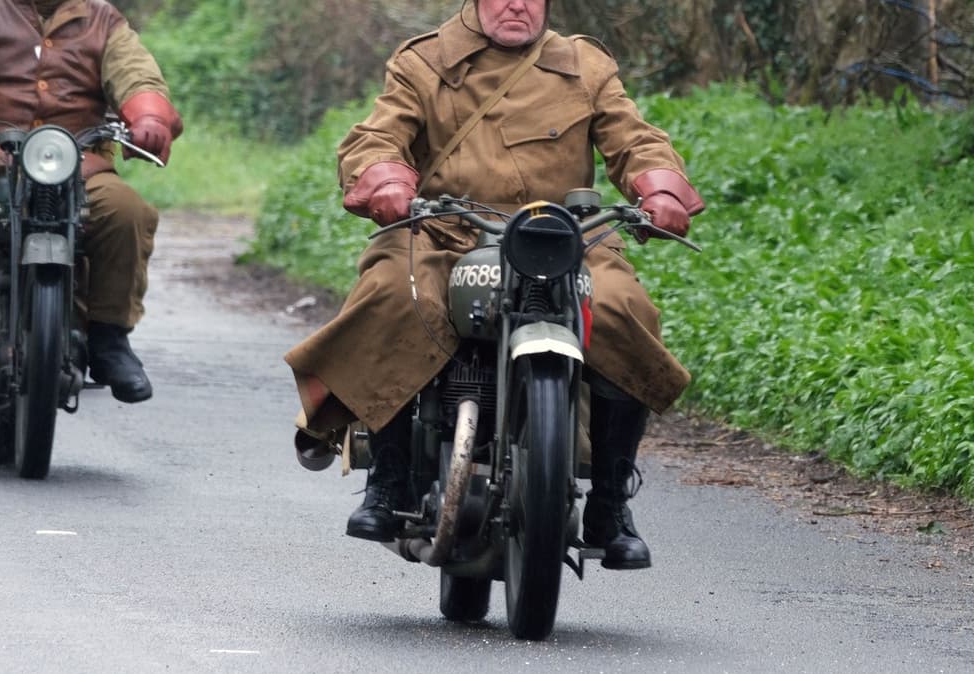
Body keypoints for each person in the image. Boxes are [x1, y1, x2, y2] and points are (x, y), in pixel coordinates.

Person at [285, 0, 705, 570]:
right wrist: (385, 176)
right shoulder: (424, 62)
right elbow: (378, 135)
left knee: (623, 308)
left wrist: (658, 187)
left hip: (560, 237)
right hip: (442, 229)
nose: (516, 4)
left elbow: (635, 138)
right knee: (392, 293)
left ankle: (609, 503)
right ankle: (390, 482)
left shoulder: (584, 65)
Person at [0, 0, 182, 403]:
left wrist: (149, 118)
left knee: (127, 213)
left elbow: (139, 78)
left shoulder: (102, 19)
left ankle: (110, 341)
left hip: (76, 163)